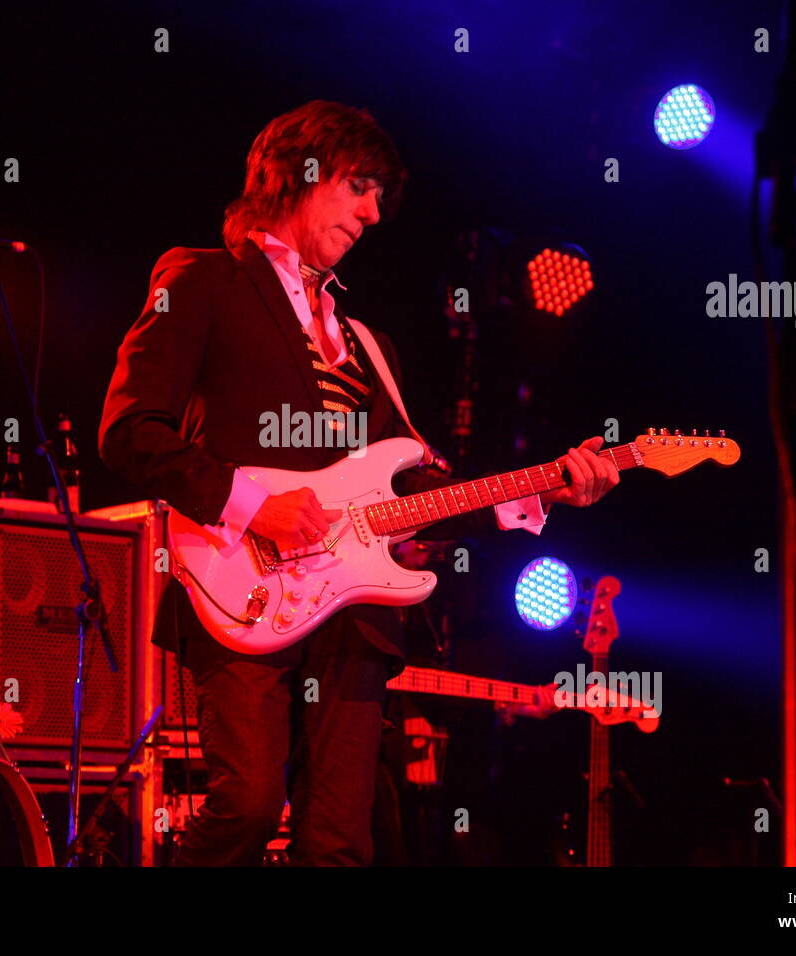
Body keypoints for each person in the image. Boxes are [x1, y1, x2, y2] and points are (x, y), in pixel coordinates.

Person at [99, 100, 618, 865]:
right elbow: (129, 431)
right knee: (244, 805)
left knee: (339, 840)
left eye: (381, 197)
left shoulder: (366, 343)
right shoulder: (204, 280)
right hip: (243, 584)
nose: (374, 214)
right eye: (360, 187)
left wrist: (544, 487)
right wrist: (256, 506)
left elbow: (417, 503)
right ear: (297, 173)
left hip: (354, 611)